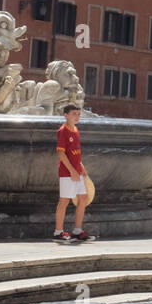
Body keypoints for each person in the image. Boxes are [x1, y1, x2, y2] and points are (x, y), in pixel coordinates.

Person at [53, 103, 91, 241]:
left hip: (77, 172)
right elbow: (61, 154)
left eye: (79, 114)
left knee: (83, 198)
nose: (77, 116)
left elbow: (75, 152)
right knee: (64, 201)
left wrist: (81, 167)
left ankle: (77, 230)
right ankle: (58, 232)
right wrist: (72, 171)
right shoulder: (62, 131)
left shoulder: (75, 130)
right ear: (66, 115)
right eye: (74, 114)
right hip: (67, 173)